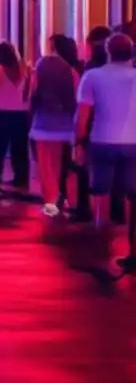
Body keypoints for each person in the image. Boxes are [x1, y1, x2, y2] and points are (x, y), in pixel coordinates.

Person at [75, 34, 136, 270]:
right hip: (133, 142)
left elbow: (83, 116)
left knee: (100, 193)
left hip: (102, 140)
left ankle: (101, 244)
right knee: (133, 196)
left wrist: (79, 142)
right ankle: (133, 249)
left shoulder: (93, 76)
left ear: (107, 52)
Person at [30, 34, 81, 218]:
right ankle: (67, 198)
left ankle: (51, 201)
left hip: (43, 123)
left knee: (46, 166)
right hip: (66, 124)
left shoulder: (41, 65)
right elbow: (76, 98)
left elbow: (32, 92)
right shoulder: (72, 70)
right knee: (65, 165)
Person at [0, 42, 31, 199]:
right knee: (20, 150)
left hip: (2, 112)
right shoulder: (24, 69)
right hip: (22, 112)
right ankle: (21, 181)